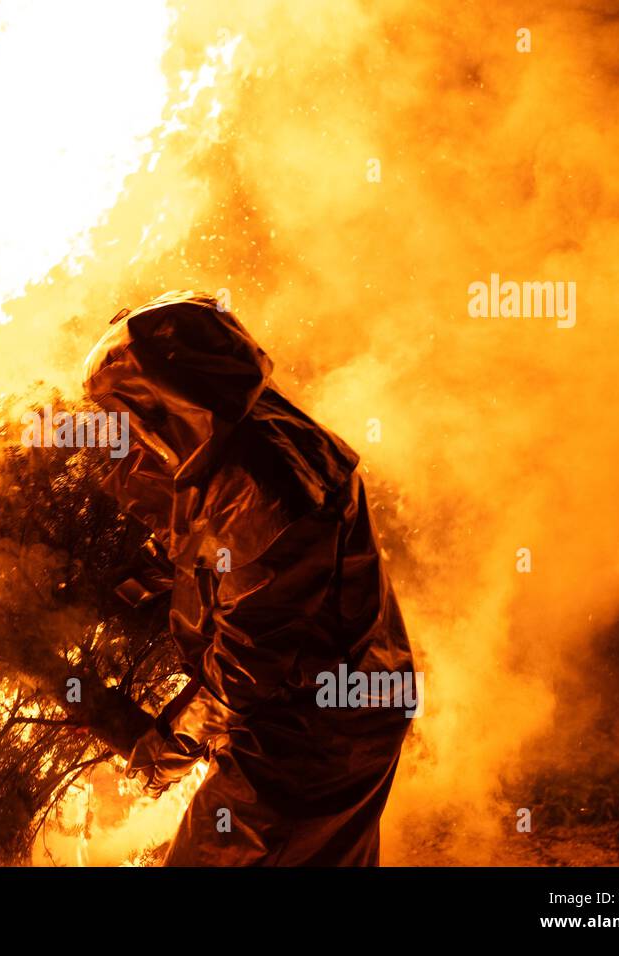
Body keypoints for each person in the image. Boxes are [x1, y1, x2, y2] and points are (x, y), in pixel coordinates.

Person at [84, 291, 415, 865]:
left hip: (310, 739)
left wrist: (166, 750)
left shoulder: (259, 486)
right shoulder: (257, 429)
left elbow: (247, 664)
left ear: (167, 395)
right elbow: (222, 553)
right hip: (346, 711)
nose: (126, 430)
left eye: (128, 410)